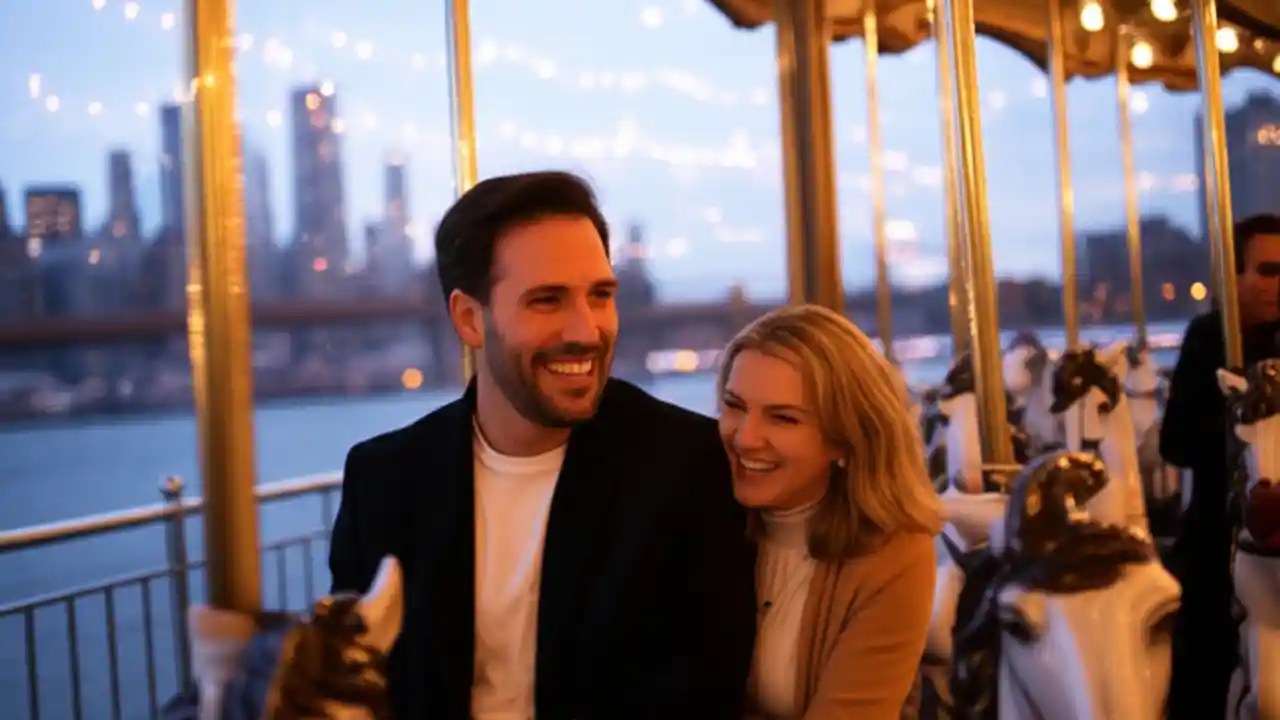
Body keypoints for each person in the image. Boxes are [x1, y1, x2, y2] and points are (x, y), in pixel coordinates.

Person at [328, 170, 757, 719]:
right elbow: (358, 689)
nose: (586, 330)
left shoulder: (685, 466)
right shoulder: (384, 481)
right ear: (469, 319)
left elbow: (700, 695)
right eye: (547, 301)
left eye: (600, 296)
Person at [716, 304, 942, 719]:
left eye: (782, 418)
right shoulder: (697, 513)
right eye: (734, 406)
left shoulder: (894, 551)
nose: (745, 439)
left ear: (845, 440)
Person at [1160, 213, 1280, 718]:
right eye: (1268, 269)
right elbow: (1176, 442)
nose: (1278, 283)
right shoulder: (1209, 337)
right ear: (1235, 276)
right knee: (1202, 658)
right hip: (1220, 530)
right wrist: (1236, 421)